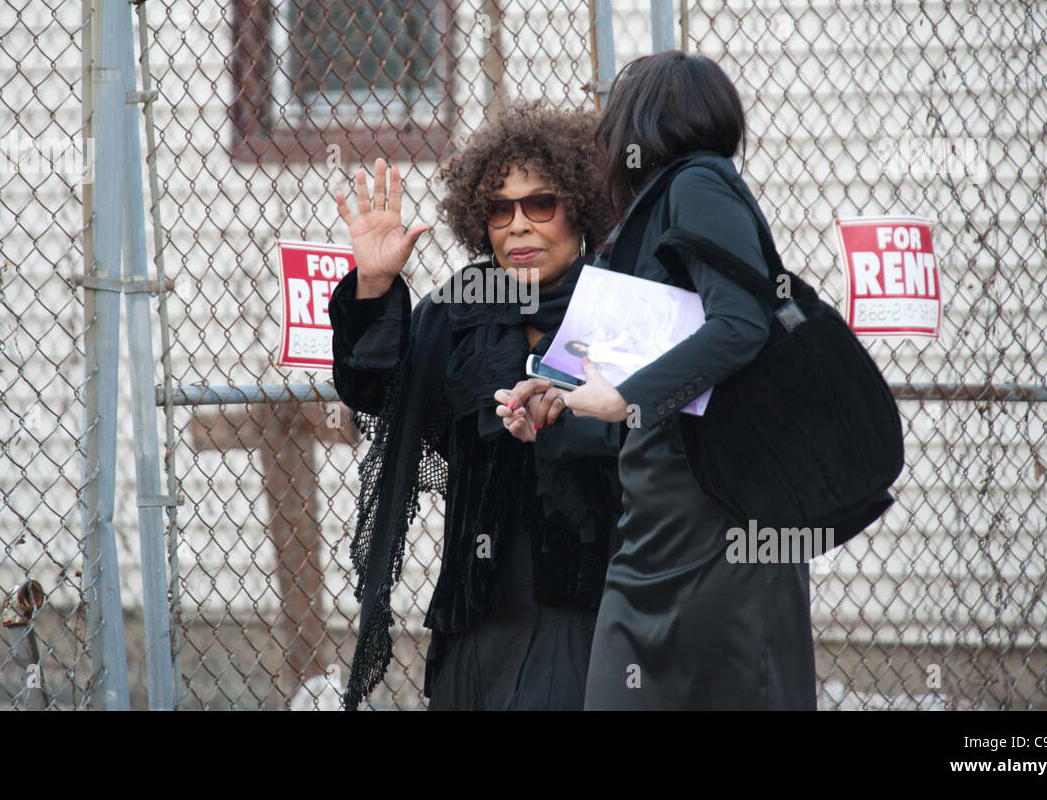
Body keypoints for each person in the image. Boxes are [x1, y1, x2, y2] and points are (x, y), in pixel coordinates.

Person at [499, 52, 817, 710]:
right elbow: (668, 340)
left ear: (638, 125)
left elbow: (739, 324)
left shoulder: (698, 183)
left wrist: (623, 398)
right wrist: (561, 389)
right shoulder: (667, 200)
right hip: (670, 525)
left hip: (710, 526)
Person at [329, 102, 622, 710]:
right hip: (479, 621)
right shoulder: (462, 309)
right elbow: (376, 392)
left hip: (594, 618)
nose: (518, 226)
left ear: (581, 208)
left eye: (540, 204)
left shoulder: (624, 309)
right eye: (499, 209)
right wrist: (375, 286)